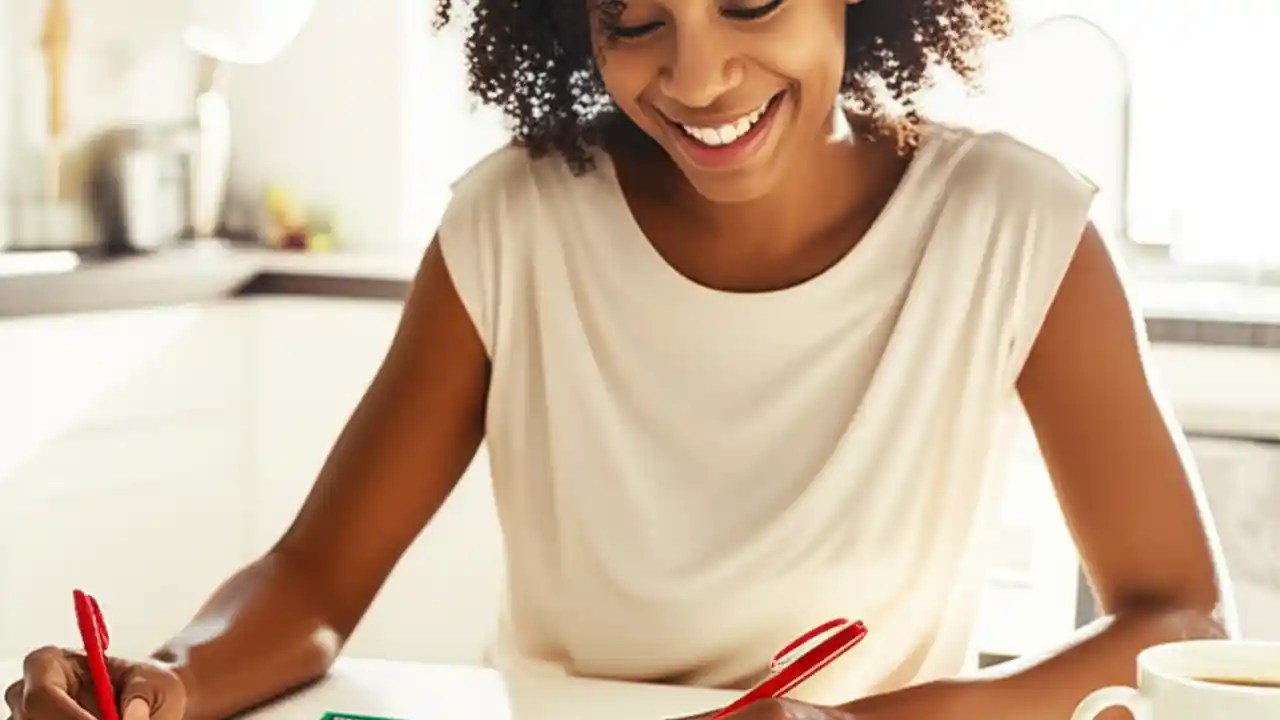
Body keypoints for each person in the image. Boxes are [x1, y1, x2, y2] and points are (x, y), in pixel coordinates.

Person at [5, 0, 1236, 718]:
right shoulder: (512, 224)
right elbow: (315, 586)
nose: (696, 76)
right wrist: (167, 677)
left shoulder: (1011, 226)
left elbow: (1173, 615)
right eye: (634, 19)